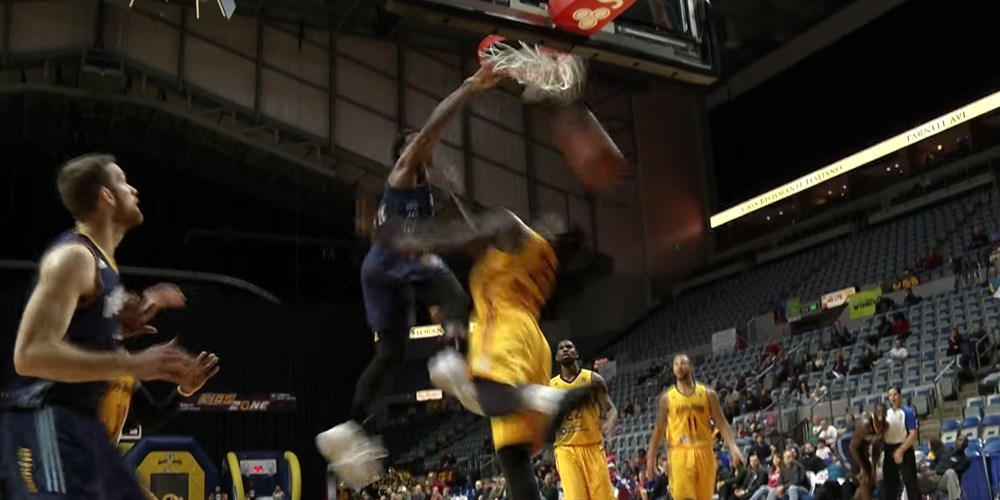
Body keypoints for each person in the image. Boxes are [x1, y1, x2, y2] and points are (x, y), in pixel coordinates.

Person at [316, 65, 503, 482]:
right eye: (416, 144)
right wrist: (468, 87)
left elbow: (433, 238)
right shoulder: (403, 170)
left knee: (393, 353)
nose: (423, 147)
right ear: (409, 150)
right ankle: (452, 361)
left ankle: (350, 426)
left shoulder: (420, 191)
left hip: (381, 268)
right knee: (456, 297)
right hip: (395, 261)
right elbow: (432, 128)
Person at [0, 154, 202, 498]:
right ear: (107, 197)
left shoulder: (104, 268)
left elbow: (77, 329)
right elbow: (30, 354)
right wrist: (132, 362)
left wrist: (119, 327)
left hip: (82, 427)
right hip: (45, 419)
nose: (134, 189)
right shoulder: (74, 257)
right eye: (123, 181)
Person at [395, 207, 599, 500]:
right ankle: (543, 399)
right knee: (513, 457)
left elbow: (499, 219)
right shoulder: (535, 260)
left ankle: (550, 399)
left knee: (486, 393)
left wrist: (431, 238)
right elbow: (485, 243)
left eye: (549, 220)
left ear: (553, 234)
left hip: (504, 328)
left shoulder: (528, 241)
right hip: (530, 339)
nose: (539, 218)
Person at [645, 354, 744, 500]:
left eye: (683, 363)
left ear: (691, 367)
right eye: (676, 364)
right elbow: (659, 429)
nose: (679, 366)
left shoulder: (708, 394)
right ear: (673, 370)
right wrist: (651, 457)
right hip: (680, 454)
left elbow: (722, 423)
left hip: (704, 452)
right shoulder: (666, 399)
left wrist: (733, 447)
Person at [549, 340, 618, 500]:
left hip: (592, 446)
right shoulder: (551, 386)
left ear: (576, 353)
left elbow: (611, 409)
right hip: (566, 449)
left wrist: (610, 421)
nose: (565, 350)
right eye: (561, 348)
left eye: (569, 347)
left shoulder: (593, 379)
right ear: (557, 358)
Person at [837, 402, 887, 500]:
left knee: (871, 479)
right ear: (874, 413)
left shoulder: (884, 426)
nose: (881, 415)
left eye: (883, 413)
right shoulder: (865, 424)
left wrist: (874, 467)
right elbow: (852, 447)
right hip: (846, 446)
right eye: (878, 412)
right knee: (864, 478)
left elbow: (876, 449)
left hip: (860, 447)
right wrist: (862, 467)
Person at [882, 387, 919, 500]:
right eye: (890, 395)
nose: (892, 398)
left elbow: (913, 434)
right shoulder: (886, 414)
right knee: (889, 485)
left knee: (911, 484)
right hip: (889, 449)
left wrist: (901, 451)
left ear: (900, 396)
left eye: (895, 395)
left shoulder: (907, 412)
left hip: (905, 448)